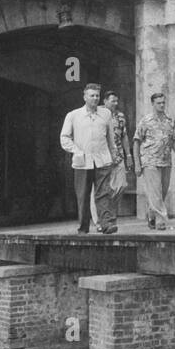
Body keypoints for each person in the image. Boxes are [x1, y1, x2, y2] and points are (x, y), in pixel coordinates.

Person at [59, 83, 117, 235]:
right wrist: (76, 150)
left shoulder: (106, 114)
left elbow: (111, 137)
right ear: (84, 97)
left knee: (104, 192)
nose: (95, 98)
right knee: (83, 196)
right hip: (82, 162)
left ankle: (106, 224)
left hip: (103, 159)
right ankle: (83, 227)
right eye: (92, 95)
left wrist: (114, 154)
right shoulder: (73, 115)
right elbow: (64, 138)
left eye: (97, 95)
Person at [133, 92, 175, 231]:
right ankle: (161, 219)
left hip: (166, 161)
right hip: (149, 161)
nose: (161, 105)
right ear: (153, 104)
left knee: (162, 191)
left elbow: (173, 140)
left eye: (163, 102)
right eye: (158, 103)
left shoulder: (170, 121)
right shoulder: (146, 121)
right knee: (155, 191)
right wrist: (137, 163)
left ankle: (151, 213)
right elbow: (136, 142)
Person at [102, 90, 133, 223]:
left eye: (116, 101)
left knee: (121, 185)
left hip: (119, 155)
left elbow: (124, 136)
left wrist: (129, 155)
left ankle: (108, 210)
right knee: (103, 188)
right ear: (105, 101)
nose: (115, 103)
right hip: (103, 156)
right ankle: (103, 218)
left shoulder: (120, 116)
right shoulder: (99, 114)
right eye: (112, 101)